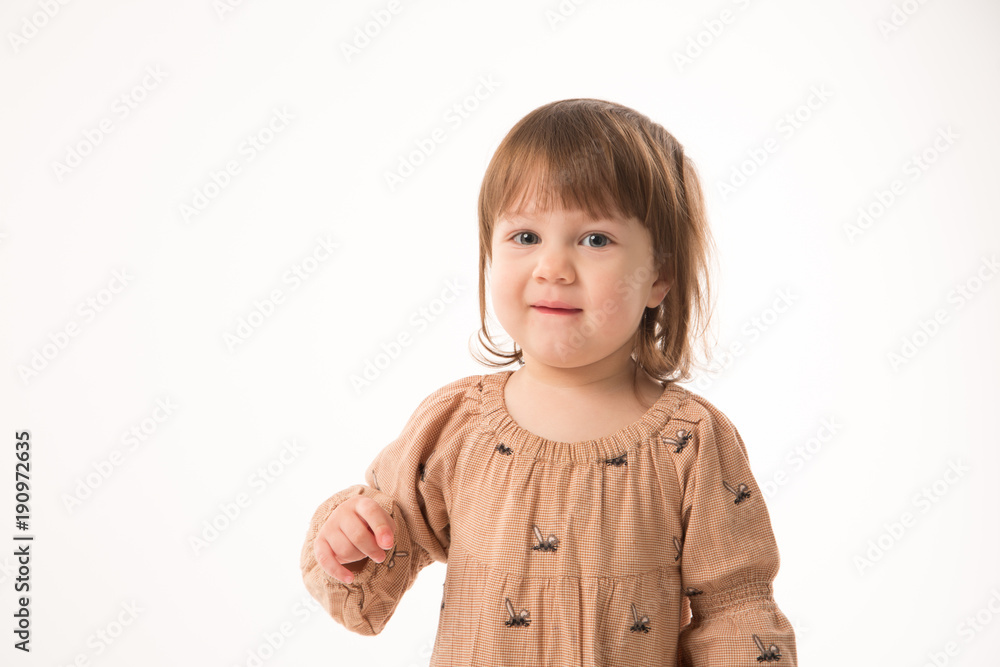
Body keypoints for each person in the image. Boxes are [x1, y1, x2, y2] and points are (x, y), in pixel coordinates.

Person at [300, 98, 798, 665]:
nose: (552, 267)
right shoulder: (457, 426)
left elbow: (737, 611)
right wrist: (353, 537)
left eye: (595, 240)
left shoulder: (690, 441)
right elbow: (380, 552)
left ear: (659, 274)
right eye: (526, 237)